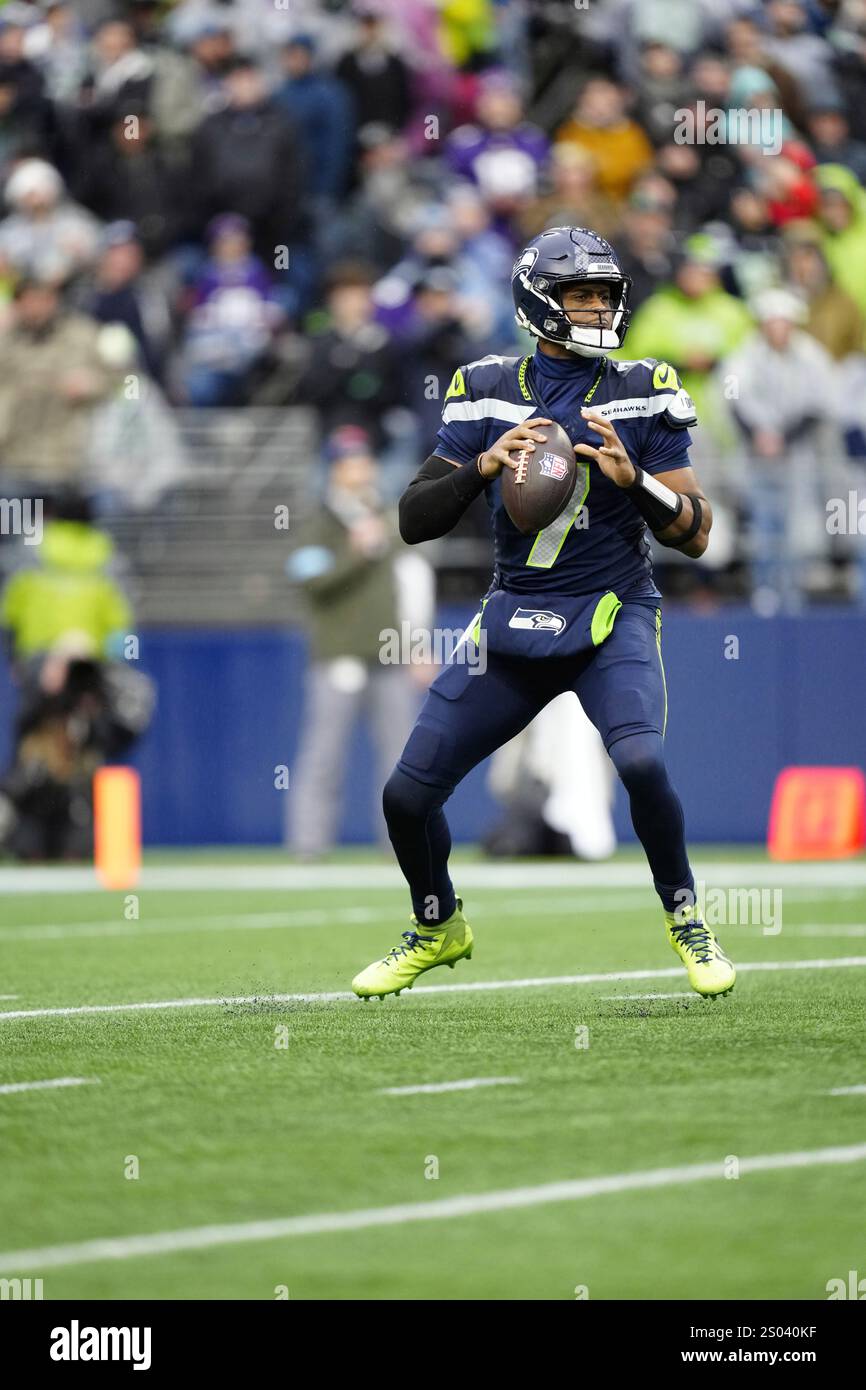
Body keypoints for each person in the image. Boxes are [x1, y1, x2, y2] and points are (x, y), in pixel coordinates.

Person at [351, 225, 736, 1002]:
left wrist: (637, 482)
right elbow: (414, 519)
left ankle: (688, 918)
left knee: (641, 763)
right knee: (406, 795)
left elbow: (696, 533)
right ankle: (438, 924)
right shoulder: (486, 384)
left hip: (610, 613)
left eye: (603, 294)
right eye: (580, 295)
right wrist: (484, 466)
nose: (597, 309)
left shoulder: (643, 384)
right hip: (516, 614)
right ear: (539, 303)